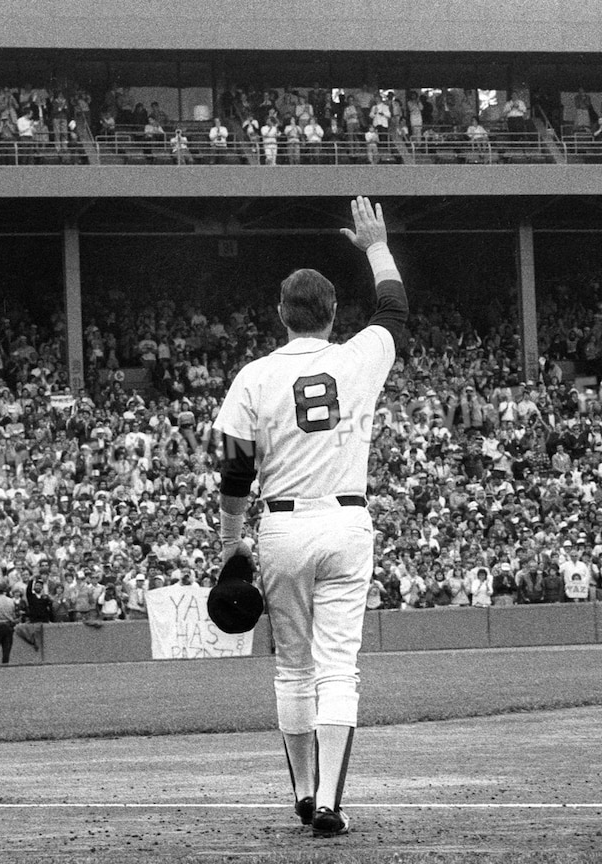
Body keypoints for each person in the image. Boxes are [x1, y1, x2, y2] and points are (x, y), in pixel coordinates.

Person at [212, 196, 407, 838]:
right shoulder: (356, 358)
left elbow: (236, 472)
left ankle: (301, 791)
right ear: (331, 316)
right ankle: (328, 801)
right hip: (346, 523)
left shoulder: (255, 376)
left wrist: (229, 542)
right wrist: (375, 245)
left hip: (283, 527)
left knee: (292, 667)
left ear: (280, 315)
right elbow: (394, 313)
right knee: (338, 667)